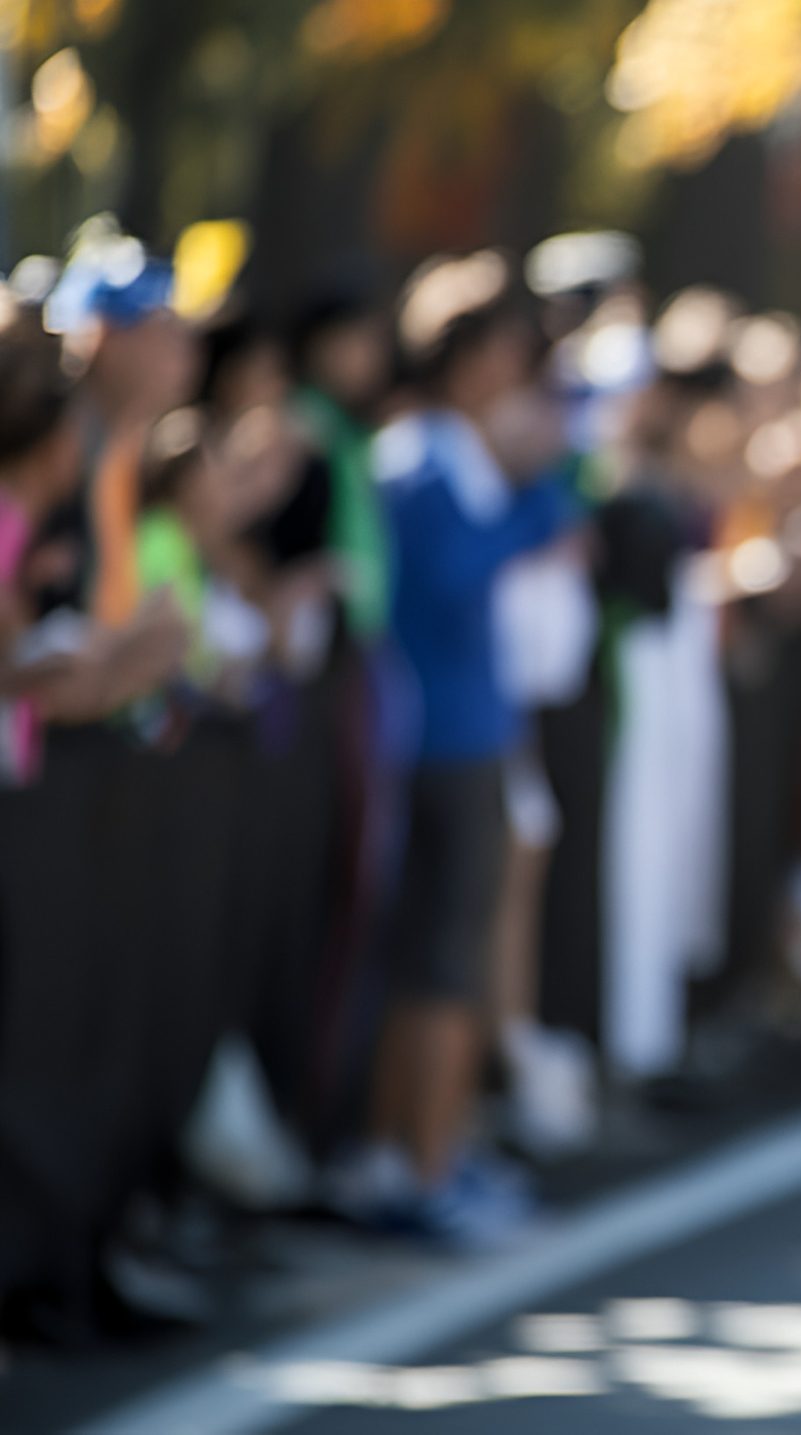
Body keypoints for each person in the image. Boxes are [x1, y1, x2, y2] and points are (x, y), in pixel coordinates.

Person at [336, 251, 580, 1247]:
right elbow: (447, 575)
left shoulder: (433, 449)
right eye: (510, 352)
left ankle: (413, 1155)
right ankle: (426, 1170)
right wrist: (542, 498)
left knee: (434, 957)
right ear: (471, 357)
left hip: (454, 732)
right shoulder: (425, 456)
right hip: (447, 738)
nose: (520, 372)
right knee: (446, 959)